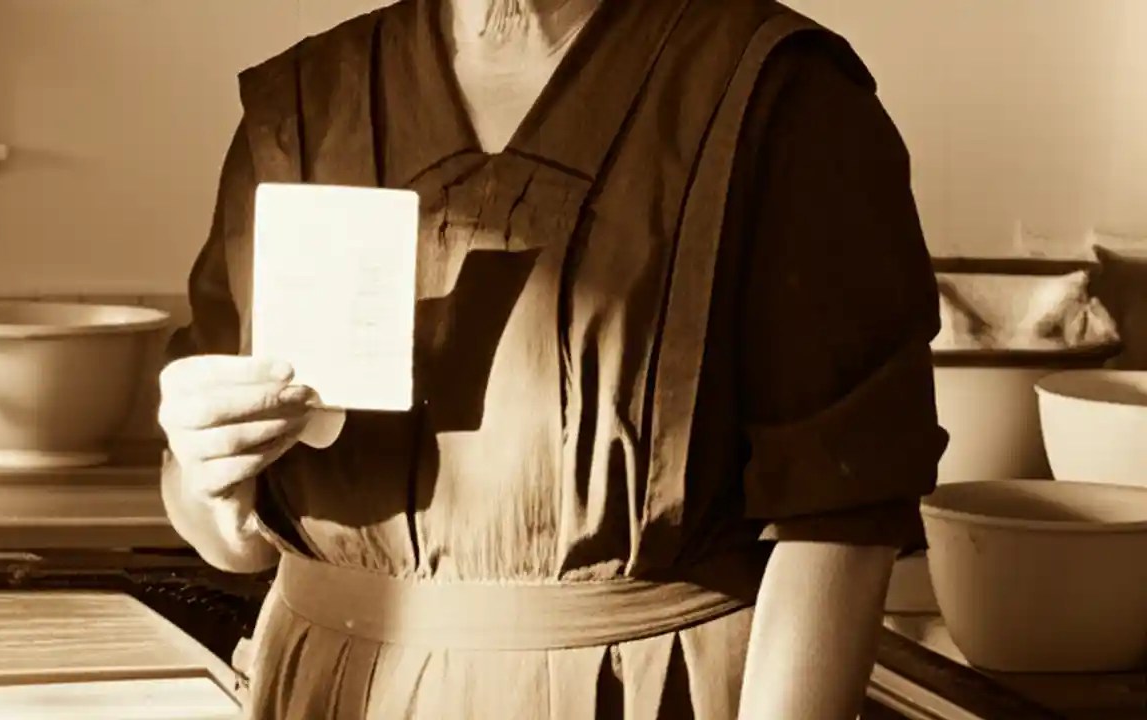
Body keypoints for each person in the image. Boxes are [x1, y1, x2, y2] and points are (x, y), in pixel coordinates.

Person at [157, 0, 949, 717]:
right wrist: (209, 481)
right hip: (330, 691)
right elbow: (236, 539)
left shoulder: (781, 98)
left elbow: (840, 527)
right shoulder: (306, 102)